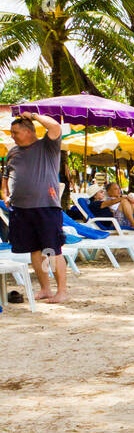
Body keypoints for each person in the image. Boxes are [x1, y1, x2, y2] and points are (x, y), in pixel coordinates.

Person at [3, 110, 69, 303]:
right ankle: (45, 289)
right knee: (34, 251)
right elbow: (6, 178)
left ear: (29, 131)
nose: (12, 136)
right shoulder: (12, 152)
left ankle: (61, 291)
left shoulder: (46, 146)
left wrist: (33, 116)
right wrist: (5, 195)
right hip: (21, 210)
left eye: (15, 132)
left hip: (46, 207)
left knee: (52, 250)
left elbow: (55, 127)